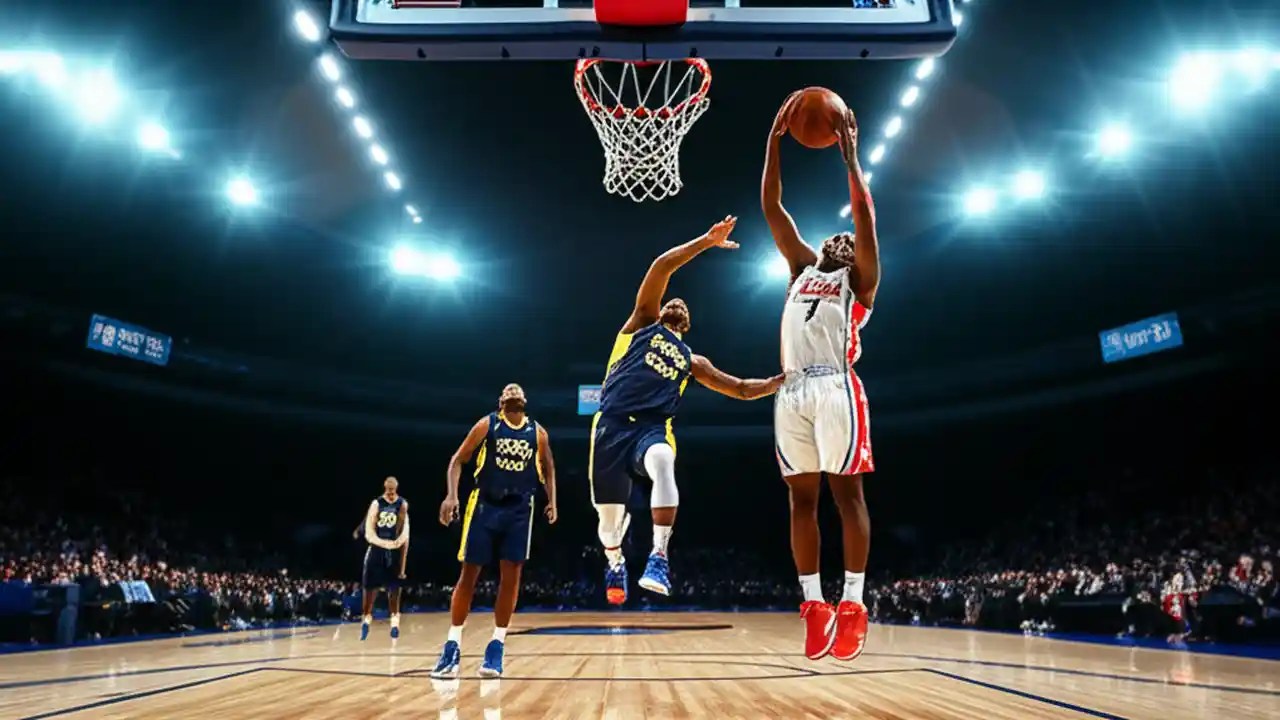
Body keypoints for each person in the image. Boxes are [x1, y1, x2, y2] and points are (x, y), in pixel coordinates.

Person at [591, 216, 784, 605]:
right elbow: (661, 266)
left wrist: (783, 380)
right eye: (672, 301)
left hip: (652, 428)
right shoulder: (641, 323)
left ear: (686, 325)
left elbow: (742, 389)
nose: (676, 303)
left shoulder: (692, 360)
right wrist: (706, 242)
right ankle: (614, 561)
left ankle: (658, 556)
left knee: (663, 460)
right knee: (609, 526)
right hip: (611, 425)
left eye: (682, 305)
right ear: (662, 311)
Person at [762, 92, 880, 661]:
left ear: (855, 257)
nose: (838, 241)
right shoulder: (801, 268)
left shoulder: (859, 284)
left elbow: (863, 215)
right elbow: (772, 208)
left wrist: (850, 159)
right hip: (790, 392)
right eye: (831, 240)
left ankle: (853, 602)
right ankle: (814, 605)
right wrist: (773, 142)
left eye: (846, 243)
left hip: (835, 384)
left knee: (845, 495)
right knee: (799, 504)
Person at [432, 383, 557, 679]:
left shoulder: (538, 433)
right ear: (501, 401)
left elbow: (549, 468)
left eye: (517, 389)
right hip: (485, 505)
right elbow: (457, 460)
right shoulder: (487, 424)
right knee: (469, 574)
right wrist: (451, 496)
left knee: (511, 577)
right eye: (507, 390)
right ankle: (453, 643)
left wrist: (552, 501)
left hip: (520, 509)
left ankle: (496, 646)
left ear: (524, 400)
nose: (512, 391)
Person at [357, 477, 410, 641]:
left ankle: (394, 621)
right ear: (385, 489)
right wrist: (380, 542)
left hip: (393, 550)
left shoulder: (402, 504)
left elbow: (405, 536)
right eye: (389, 491)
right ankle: (366, 618)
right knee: (369, 587)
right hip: (377, 547)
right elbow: (369, 528)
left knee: (394, 589)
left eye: (394, 491)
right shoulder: (376, 504)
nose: (392, 494)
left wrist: (402, 567)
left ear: (397, 489)